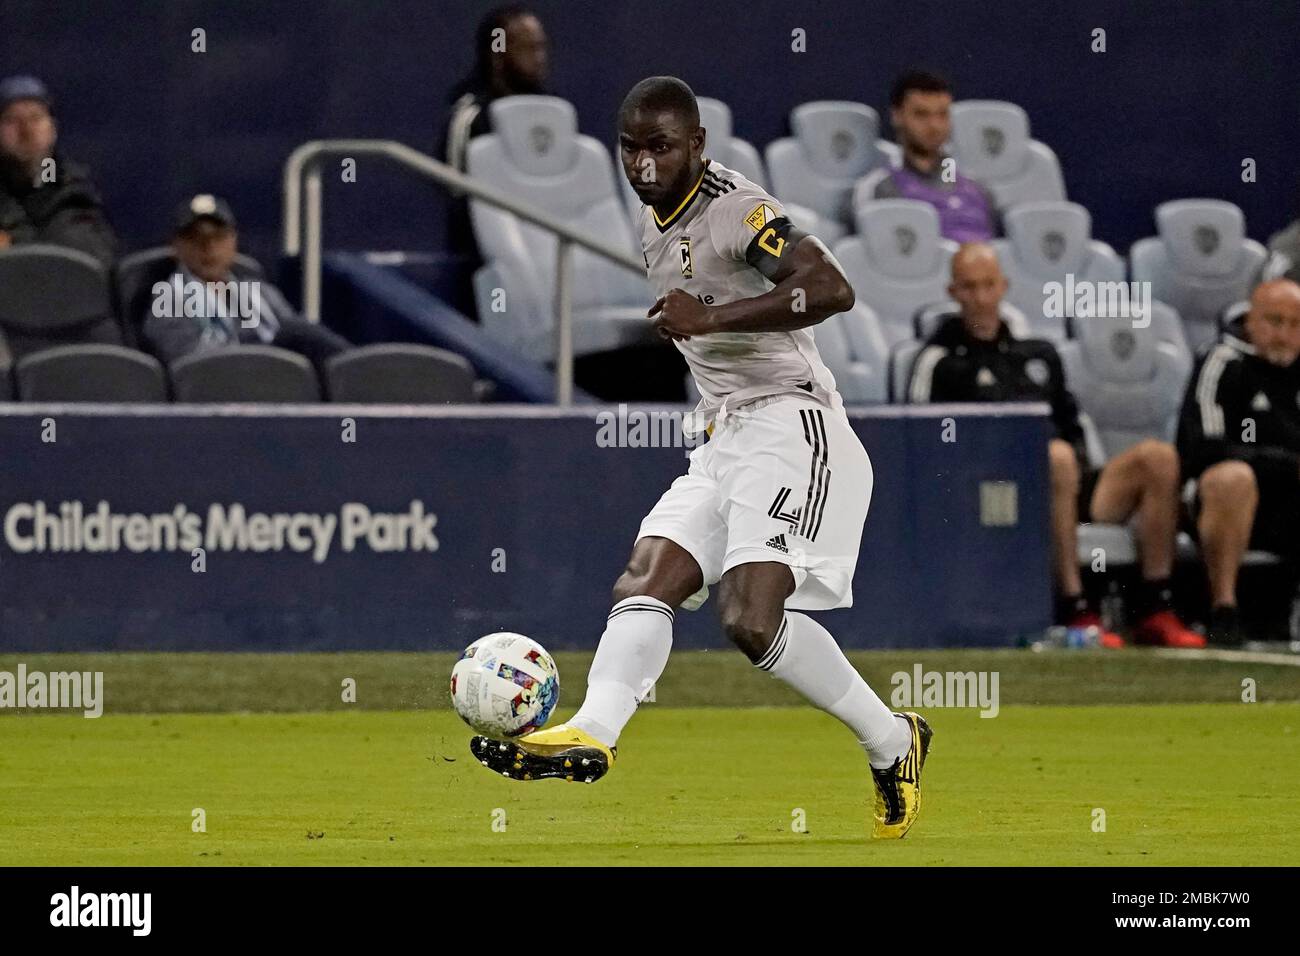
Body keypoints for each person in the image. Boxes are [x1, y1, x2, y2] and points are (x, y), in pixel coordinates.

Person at [469, 77, 932, 840]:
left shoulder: (737, 209)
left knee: (751, 621)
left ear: (697, 146)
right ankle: (592, 732)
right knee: (648, 574)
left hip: (792, 424)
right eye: (630, 147)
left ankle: (892, 741)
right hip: (720, 434)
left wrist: (710, 318)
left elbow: (832, 287)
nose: (643, 164)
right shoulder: (654, 216)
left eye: (660, 147)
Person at [908, 243, 1205, 649]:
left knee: (1157, 458)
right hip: (989, 493)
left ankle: (1155, 607)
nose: (980, 297)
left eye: (988, 285)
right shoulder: (938, 360)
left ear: (1004, 287)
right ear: (952, 292)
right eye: (969, 287)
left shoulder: (1039, 355)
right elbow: (917, 438)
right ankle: (1074, 605)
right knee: (1056, 456)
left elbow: (1069, 421)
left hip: (1066, 484)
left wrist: (1076, 463)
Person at [1176, 278, 1300, 646]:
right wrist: (1286, 464)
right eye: (1274, 321)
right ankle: (1224, 610)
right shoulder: (1222, 362)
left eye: (1295, 325)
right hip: (1219, 501)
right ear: (1250, 320)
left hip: (1289, 504)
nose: (1284, 334)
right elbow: (1204, 447)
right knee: (1234, 479)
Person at [141, 194, 349, 371]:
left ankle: (357, 370)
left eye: (218, 237)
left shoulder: (261, 292)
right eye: (195, 239)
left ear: (233, 242)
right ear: (176, 246)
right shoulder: (167, 301)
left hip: (281, 384)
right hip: (221, 390)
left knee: (301, 332)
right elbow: (192, 364)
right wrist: (260, 343)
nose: (208, 248)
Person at [440, 4, 549, 266]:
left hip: (551, 252)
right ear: (497, 54)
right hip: (489, 262)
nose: (540, 57)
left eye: (542, 47)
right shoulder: (470, 115)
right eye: (528, 48)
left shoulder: (552, 113)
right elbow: (456, 190)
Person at [0, 75, 116, 266]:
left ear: (52, 129)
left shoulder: (71, 189)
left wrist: (13, 245)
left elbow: (90, 258)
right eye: (12, 120)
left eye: (35, 118)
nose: (26, 130)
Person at [873, 70, 999, 244]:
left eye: (942, 114)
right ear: (897, 116)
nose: (934, 126)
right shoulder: (881, 189)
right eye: (922, 114)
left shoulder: (978, 190)